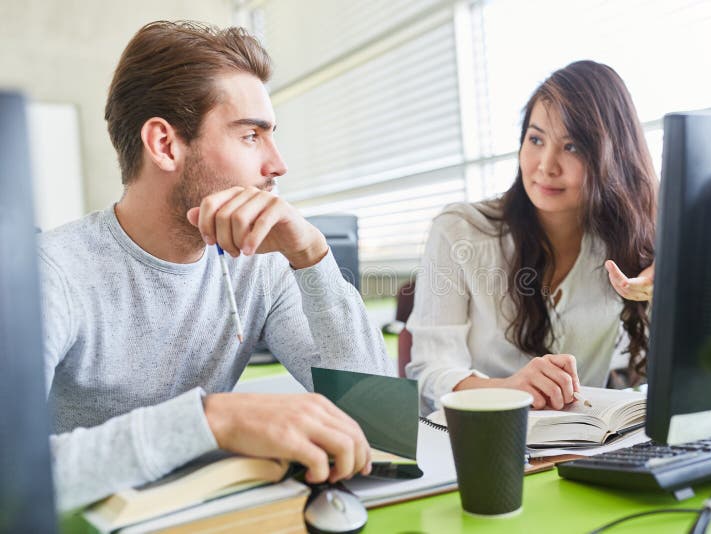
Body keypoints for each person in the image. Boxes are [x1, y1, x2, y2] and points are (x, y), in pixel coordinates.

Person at [40, 21, 392, 511]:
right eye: (251, 135)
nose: (278, 165)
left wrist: (312, 256)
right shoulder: (51, 274)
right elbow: (13, 471)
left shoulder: (261, 266)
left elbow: (381, 421)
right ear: (165, 145)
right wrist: (212, 419)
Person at [406, 60, 656, 415]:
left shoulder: (630, 241)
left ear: (613, 155)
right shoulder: (460, 230)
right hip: (483, 441)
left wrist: (668, 285)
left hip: (586, 447)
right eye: (536, 139)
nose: (546, 165)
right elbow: (429, 372)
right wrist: (508, 389)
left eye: (572, 147)